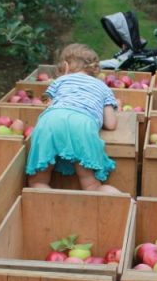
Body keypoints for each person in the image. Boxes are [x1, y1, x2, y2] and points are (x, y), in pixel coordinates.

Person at [26, 43, 122, 193]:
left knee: (38, 181)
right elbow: (110, 124)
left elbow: (46, 102)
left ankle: (51, 206)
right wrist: (116, 108)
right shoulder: (103, 87)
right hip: (82, 124)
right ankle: (124, 201)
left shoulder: (59, 81)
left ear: (65, 66)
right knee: (92, 186)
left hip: (51, 120)